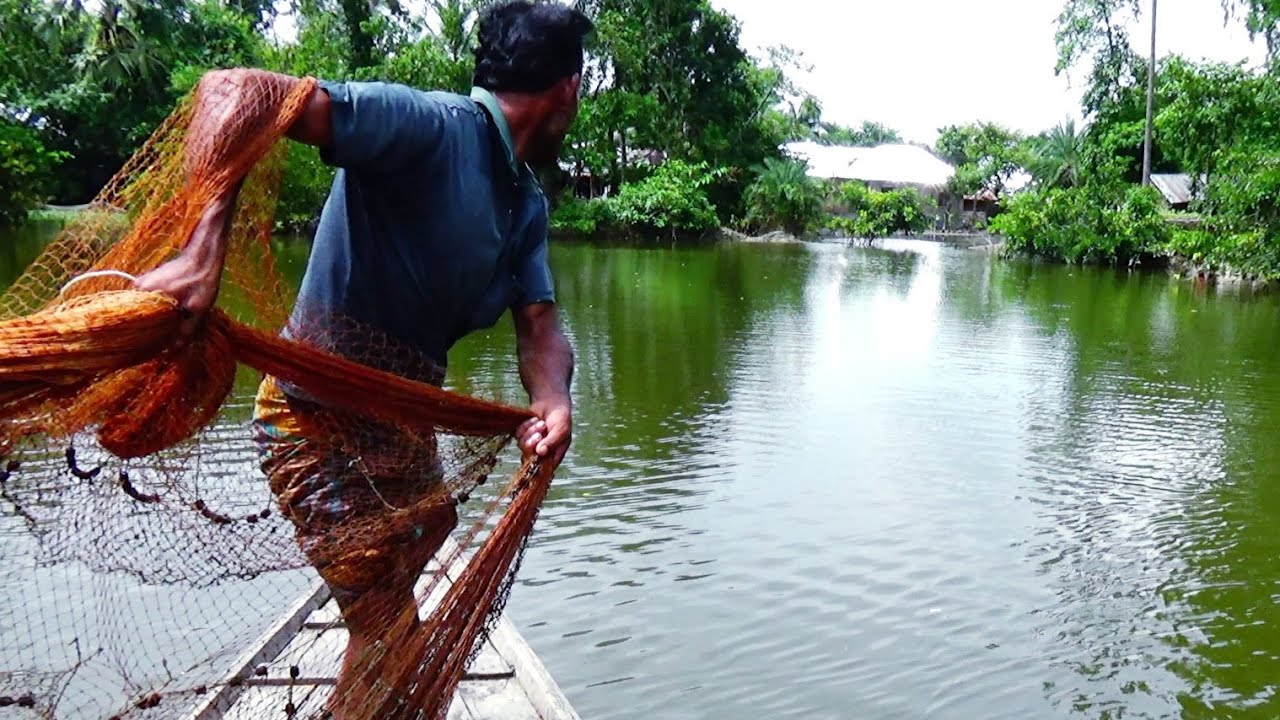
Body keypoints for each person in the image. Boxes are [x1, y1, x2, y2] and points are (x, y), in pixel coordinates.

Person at [134, 0, 591, 708]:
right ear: (568, 87)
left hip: (398, 429)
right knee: (386, 626)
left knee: (428, 537)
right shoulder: (429, 128)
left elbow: (540, 329)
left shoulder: (522, 203)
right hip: (309, 420)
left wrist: (554, 398)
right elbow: (233, 91)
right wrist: (201, 250)